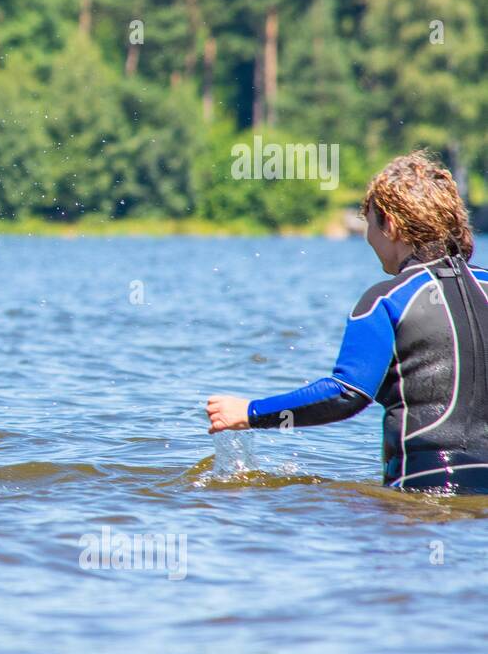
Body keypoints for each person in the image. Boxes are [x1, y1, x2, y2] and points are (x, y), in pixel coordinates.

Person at [207, 151, 488, 493]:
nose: (368, 237)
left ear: (390, 224)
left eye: (368, 223)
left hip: (424, 488)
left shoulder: (387, 299)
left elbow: (347, 394)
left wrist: (249, 412)